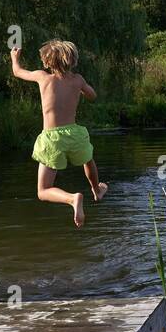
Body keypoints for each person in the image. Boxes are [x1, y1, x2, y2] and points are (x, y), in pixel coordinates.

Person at [11, 40, 107, 227]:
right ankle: (96, 189)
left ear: (47, 62)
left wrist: (15, 58)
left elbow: (18, 72)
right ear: (72, 60)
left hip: (52, 138)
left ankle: (72, 199)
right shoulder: (78, 80)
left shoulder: (42, 77)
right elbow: (93, 95)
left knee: (43, 190)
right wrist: (82, 92)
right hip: (74, 133)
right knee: (88, 159)